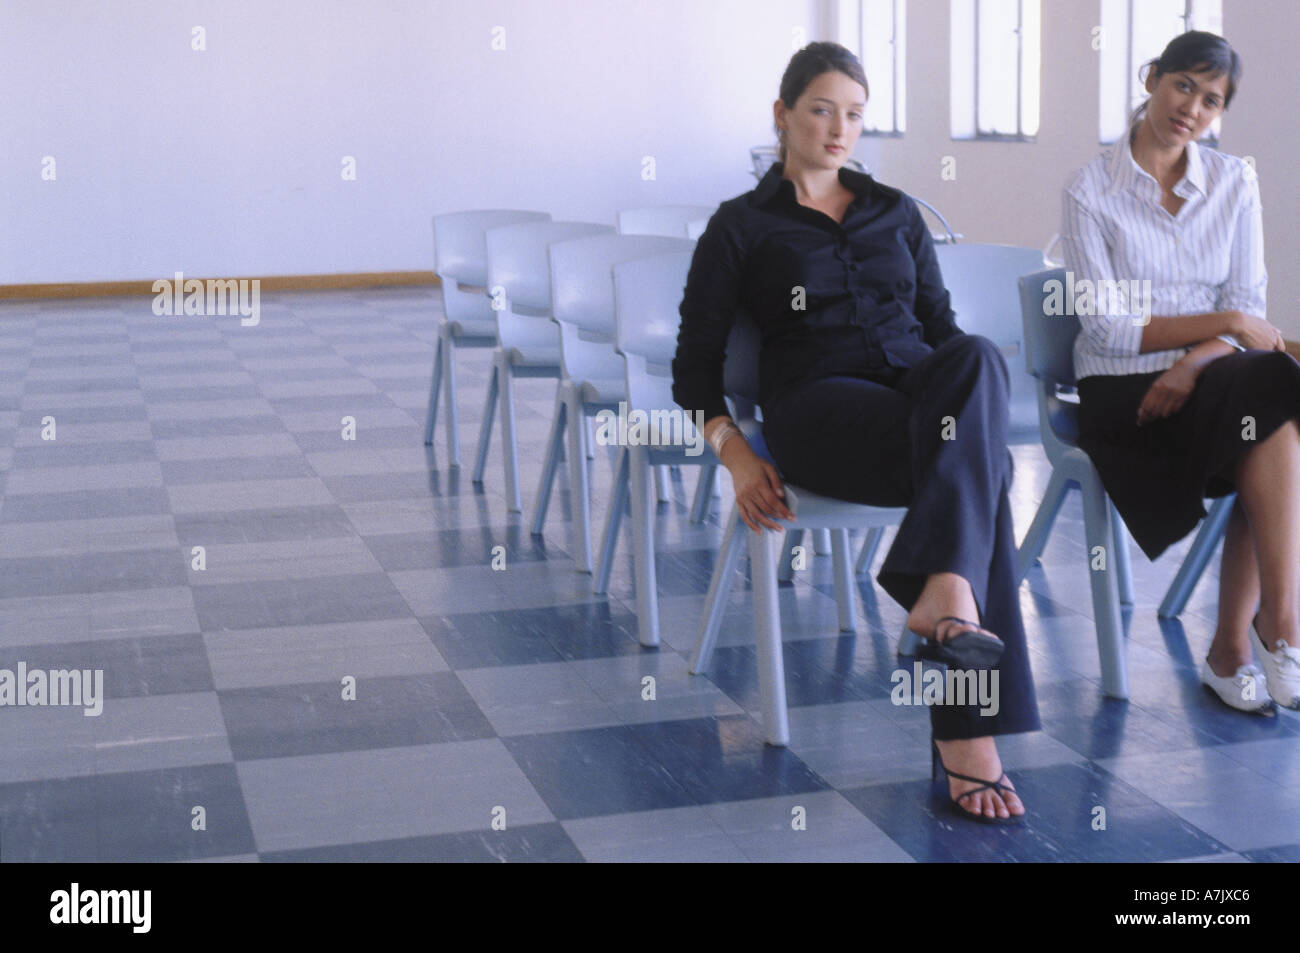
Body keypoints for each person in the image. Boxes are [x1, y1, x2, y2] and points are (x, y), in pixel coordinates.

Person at [672, 43, 1040, 824]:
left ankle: (946, 601)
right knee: (983, 473)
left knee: (976, 363)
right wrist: (738, 455)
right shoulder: (740, 228)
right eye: (821, 109)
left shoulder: (894, 211)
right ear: (783, 114)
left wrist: (983, 385)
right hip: (817, 409)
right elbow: (694, 368)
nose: (840, 129)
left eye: (855, 114)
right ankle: (965, 720)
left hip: (912, 397)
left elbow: (940, 331)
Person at [1062, 31, 1300, 715]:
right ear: (1151, 79)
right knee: (1276, 397)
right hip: (1122, 393)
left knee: (1270, 398)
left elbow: (1249, 311)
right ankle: (1260, 635)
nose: (1193, 107)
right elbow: (1110, 326)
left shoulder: (1234, 180)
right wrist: (1224, 324)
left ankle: (1255, 639)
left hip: (1211, 381)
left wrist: (1199, 357)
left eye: (1212, 98)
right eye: (1183, 85)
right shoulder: (1089, 189)